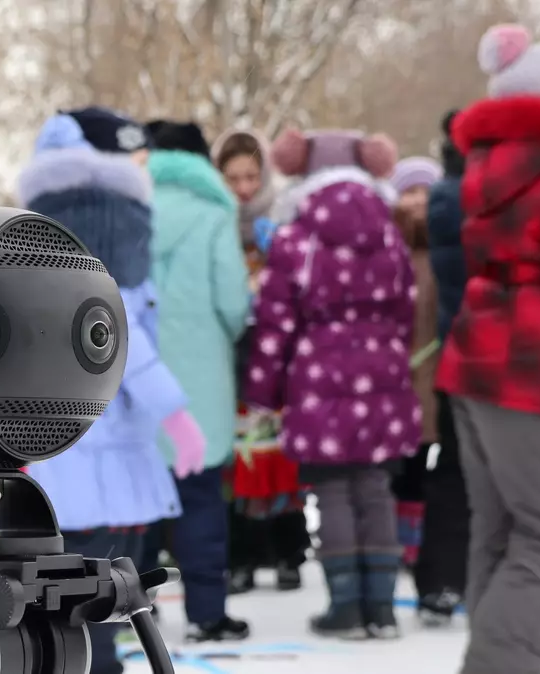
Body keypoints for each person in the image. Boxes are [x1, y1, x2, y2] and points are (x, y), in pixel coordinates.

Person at [17, 107, 206, 674]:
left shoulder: (44, 259)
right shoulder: (102, 263)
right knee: (95, 589)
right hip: (100, 456)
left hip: (67, 452)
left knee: (74, 586)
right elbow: (125, 347)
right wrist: (175, 414)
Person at [244, 128, 420, 639]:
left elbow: (275, 320)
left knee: (334, 490)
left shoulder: (297, 240)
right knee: (376, 487)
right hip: (383, 373)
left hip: (318, 374)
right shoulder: (388, 233)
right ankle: (382, 610)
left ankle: (345, 607)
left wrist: (262, 390)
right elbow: (406, 305)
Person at [435, 24, 540, 674]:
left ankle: (496, 659)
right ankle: (501, 664)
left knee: (501, 527)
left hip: (475, 358)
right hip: (530, 368)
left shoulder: (488, 164)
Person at [143, 120, 253, 642]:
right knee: (201, 497)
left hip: (137, 372)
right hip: (199, 377)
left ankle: (128, 614)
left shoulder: (131, 209)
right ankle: (208, 613)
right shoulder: (215, 213)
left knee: (137, 502)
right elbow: (234, 303)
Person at [212, 127, 311, 595]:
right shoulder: (211, 221)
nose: (244, 188)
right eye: (233, 178)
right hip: (231, 348)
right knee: (242, 455)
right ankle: (244, 554)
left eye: (252, 176)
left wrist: (284, 255)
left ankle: (289, 549)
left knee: (279, 452)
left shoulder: (284, 216)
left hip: (278, 348)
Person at [414, 109, 469, 627]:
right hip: (503, 364)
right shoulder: (469, 198)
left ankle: (442, 581)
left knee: (455, 474)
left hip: (461, 359)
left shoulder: (446, 196)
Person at [386, 156, 442, 572]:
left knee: (427, 463)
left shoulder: (446, 248)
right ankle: (399, 539)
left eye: (424, 191)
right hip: (396, 377)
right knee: (399, 465)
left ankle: (418, 540)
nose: (417, 201)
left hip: (437, 374)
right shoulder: (390, 250)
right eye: (409, 192)